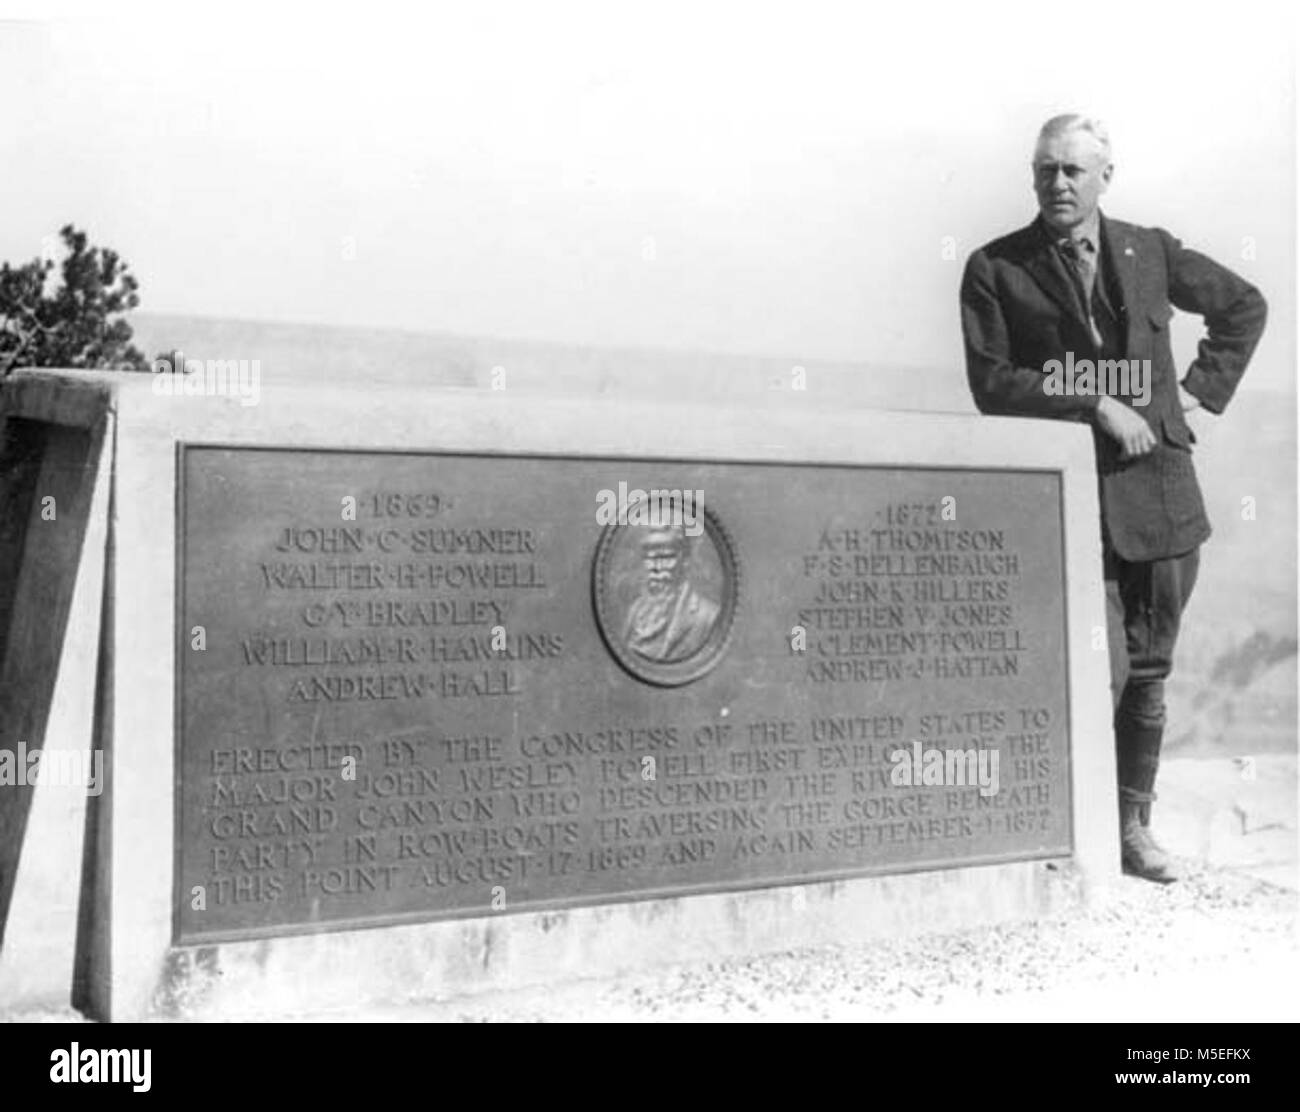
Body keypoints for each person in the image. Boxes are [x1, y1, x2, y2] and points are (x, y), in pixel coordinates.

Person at [959, 114, 1267, 883]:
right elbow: (993, 382)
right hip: (1069, 506)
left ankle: (1134, 827)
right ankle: (1070, 825)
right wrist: (1095, 402)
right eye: (1044, 171)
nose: (1057, 184)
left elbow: (1243, 306)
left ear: (1105, 176)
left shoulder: (1151, 251)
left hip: (1162, 501)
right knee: (1098, 670)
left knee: (1151, 673)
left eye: (1071, 171)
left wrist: (1195, 394)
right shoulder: (996, 268)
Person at [623, 522, 719, 663]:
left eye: (666, 558)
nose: (655, 567)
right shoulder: (635, 611)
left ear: (685, 560)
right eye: (649, 558)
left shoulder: (708, 616)